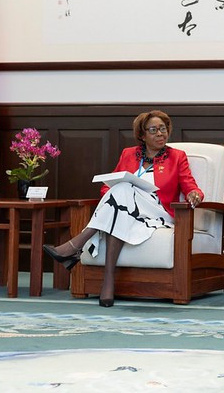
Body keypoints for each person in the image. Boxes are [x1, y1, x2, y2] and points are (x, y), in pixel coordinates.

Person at [43, 110, 203, 307]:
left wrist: (194, 194)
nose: (160, 134)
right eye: (154, 130)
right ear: (142, 135)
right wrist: (113, 197)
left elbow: (190, 185)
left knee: (124, 188)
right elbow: (108, 186)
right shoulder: (129, 154)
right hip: (127, 210)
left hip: (157, 211)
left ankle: (75, 245)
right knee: (120, 199)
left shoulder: (177, 157)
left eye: (163, 129)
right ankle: (107, 283)